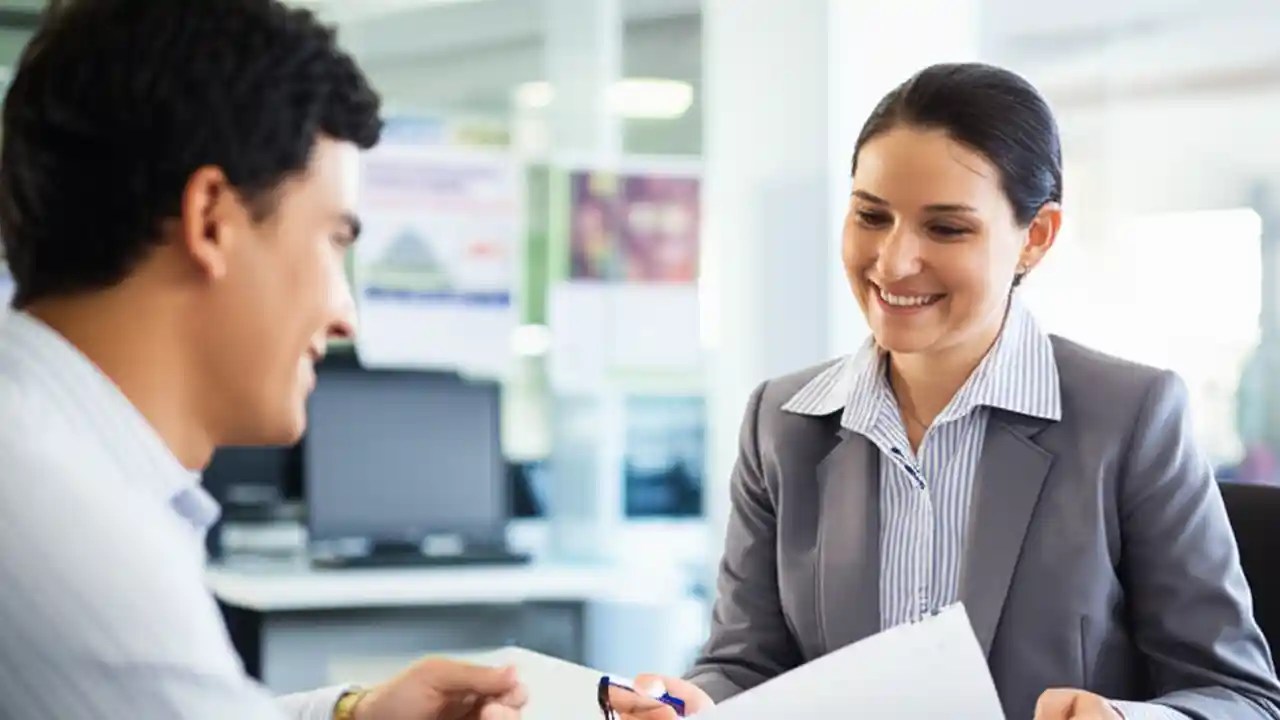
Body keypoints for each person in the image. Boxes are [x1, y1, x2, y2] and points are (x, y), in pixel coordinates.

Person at [610, 63, 1280, 720]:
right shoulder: (781, 423)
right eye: (871, 216)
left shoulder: (1129, 419)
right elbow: (744, 664)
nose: (894, 261)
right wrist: (698, 704)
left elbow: (1240, 697)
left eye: (947, 228)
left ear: (1035, 238)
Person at [0, 1, 526, 718]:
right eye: (334, 240)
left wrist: (356, 715)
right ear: (212, 219)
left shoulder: (54, 448)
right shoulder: (59, 520)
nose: (345, 315)